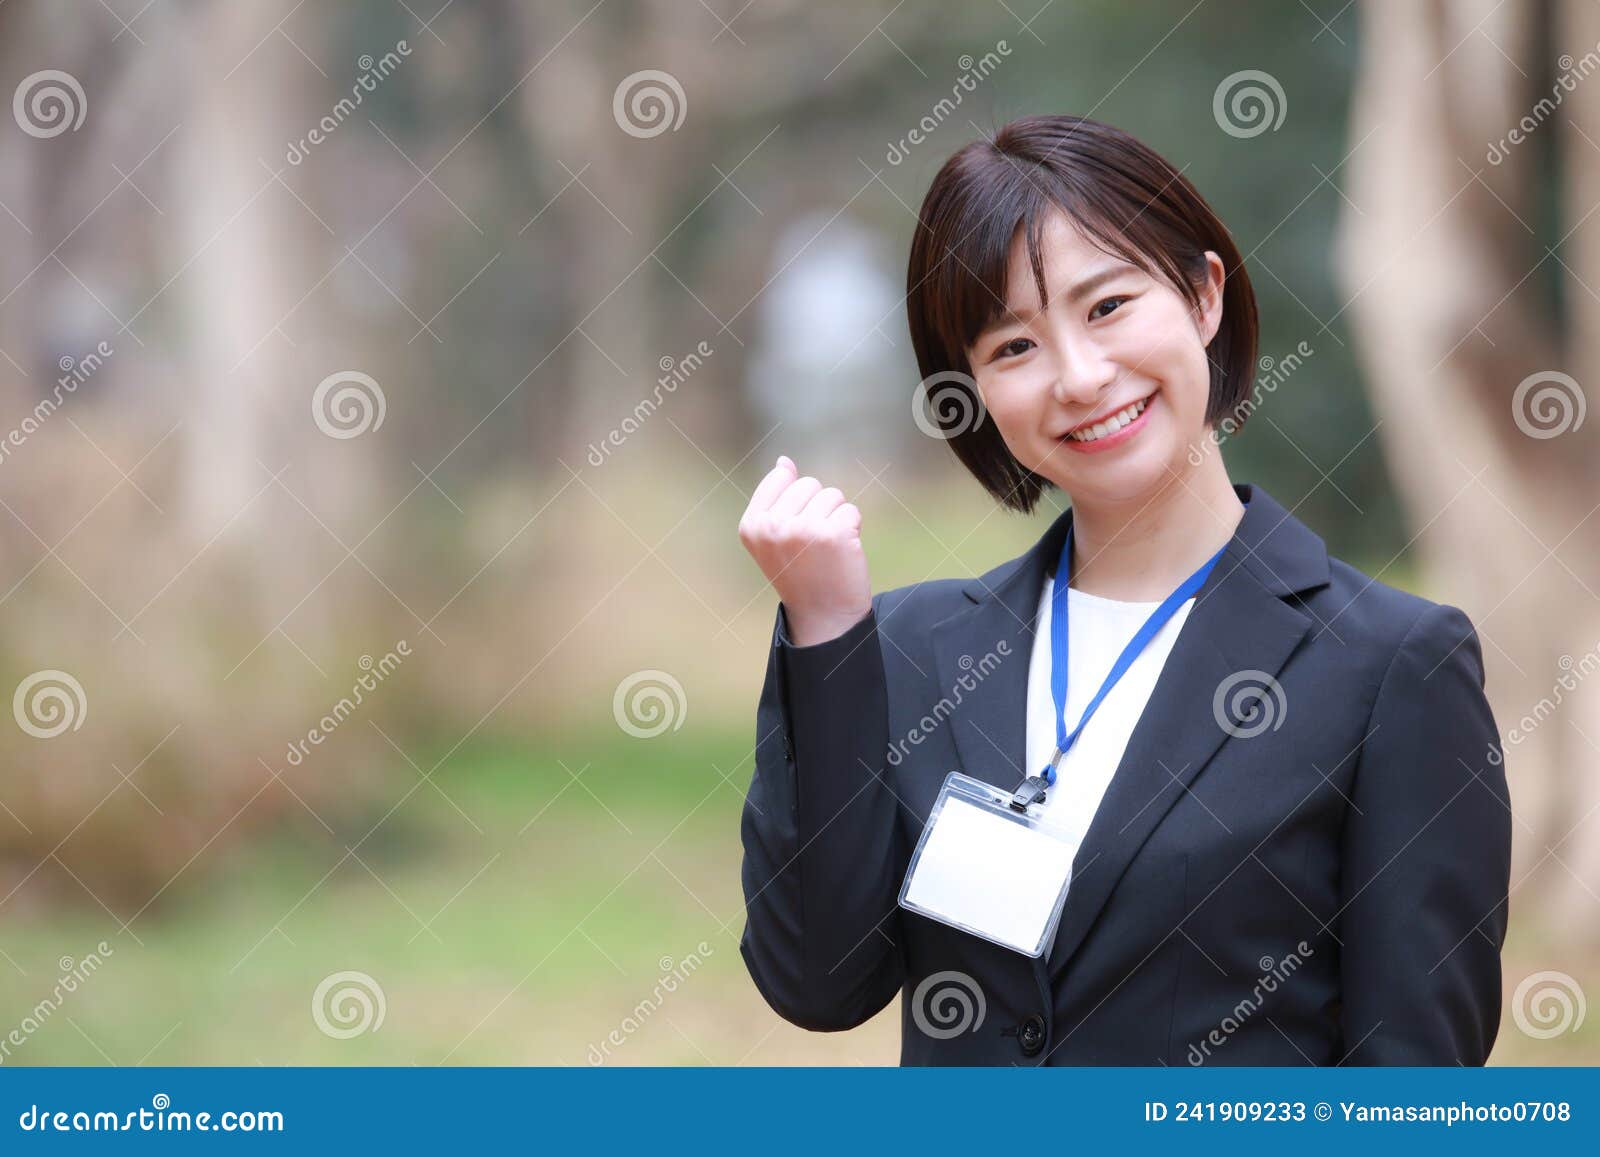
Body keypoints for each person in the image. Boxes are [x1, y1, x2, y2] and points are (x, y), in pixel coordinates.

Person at [734, 114, 1511, 1066]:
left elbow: (1415, 1089)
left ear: (1204, 295)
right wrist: (824, 629)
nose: (1079, 376)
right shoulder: (909, 647)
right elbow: (819, 981)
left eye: (1106, 306)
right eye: (1013, 347)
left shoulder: (1390, 663)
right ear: (971, 389)